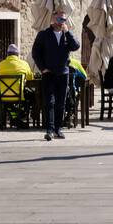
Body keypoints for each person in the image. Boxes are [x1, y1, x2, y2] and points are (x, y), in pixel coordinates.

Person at [31, 10, 80, 141]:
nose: (61, 23)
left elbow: (75, 46)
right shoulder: (44, 35)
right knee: (49, 102)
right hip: (49, 73)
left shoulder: (66, 35)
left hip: (63, 73)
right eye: (59, 20)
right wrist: (42, 68)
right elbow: (35, 52)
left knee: (61, 103)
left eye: (63, 20)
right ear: (53, 20)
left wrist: (68, 32)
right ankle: (49, 130)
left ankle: (58, 129)